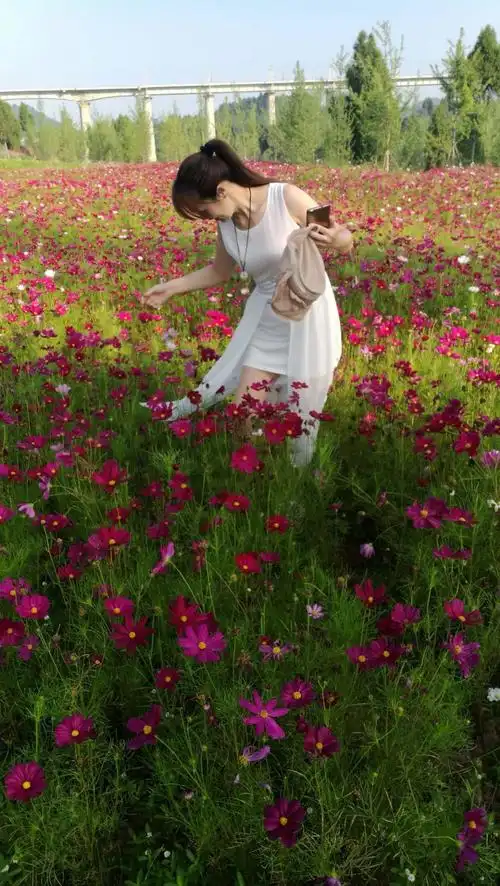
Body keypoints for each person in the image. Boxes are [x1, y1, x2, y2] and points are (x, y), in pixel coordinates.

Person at [142, 139, 352, 465]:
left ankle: (300, 480)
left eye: (203, 210)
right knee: (242, 414)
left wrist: (338, 240)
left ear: (222, 191)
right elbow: (219, 271)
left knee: (303, 410)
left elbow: (343, 237)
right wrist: (171, 288)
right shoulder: (226, 223)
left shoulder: (286, 197)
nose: (205, 218)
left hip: (306, 313)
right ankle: (252, 473)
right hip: (268, 316)